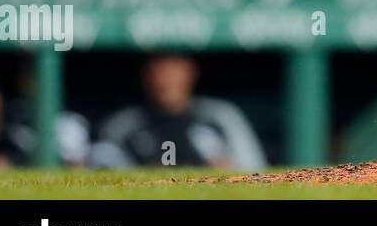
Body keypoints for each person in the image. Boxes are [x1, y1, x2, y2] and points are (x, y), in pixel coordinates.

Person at [92, 54, 265, 169]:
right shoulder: (123, 126)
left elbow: (256, 171)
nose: (165, 77)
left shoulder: (220, 117)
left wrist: (223, 169)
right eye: (158, 67)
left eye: (174, 66)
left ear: (191, 70)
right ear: (145, 74)